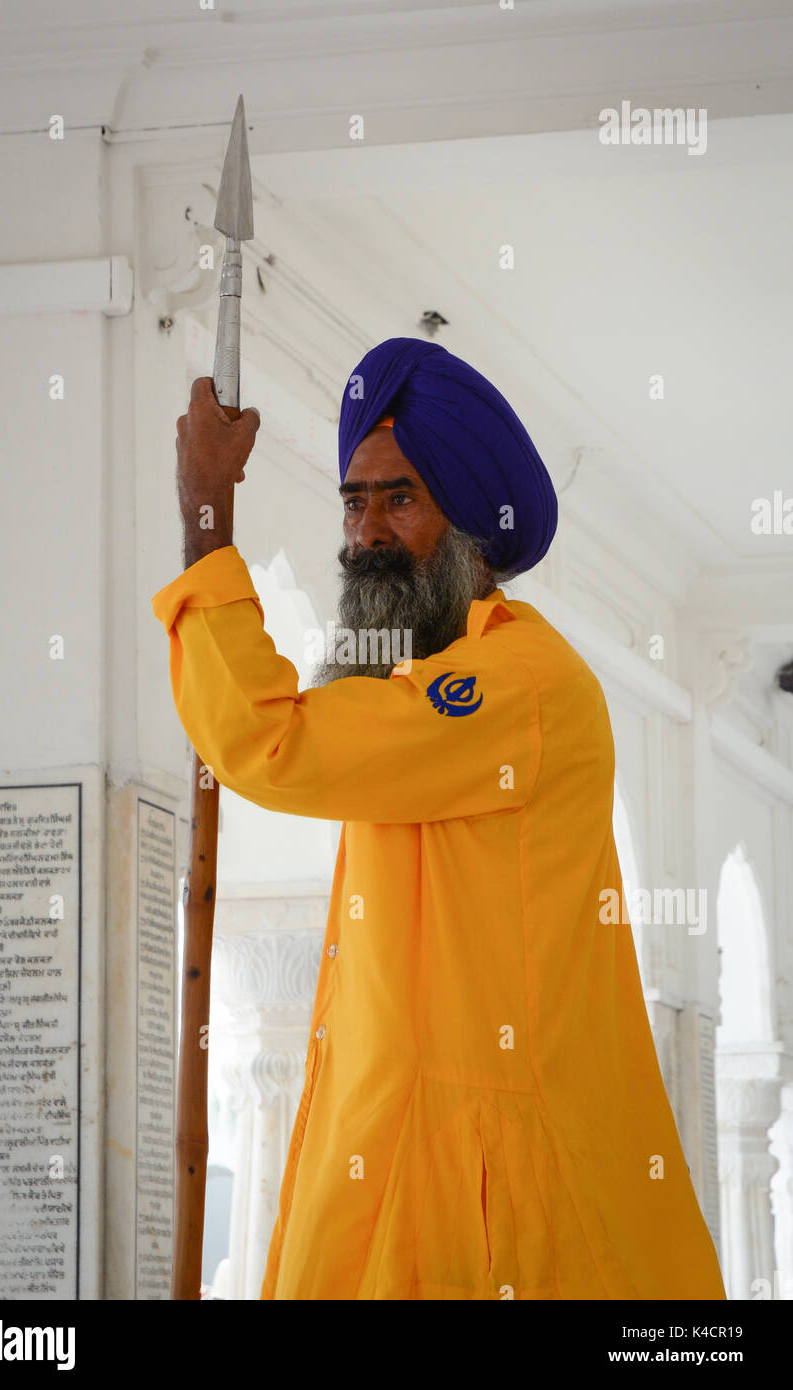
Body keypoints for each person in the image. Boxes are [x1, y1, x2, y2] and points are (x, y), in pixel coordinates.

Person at [152, 337, 726, 1300]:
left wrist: (207, 518)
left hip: (511, 1223)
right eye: (353, 498)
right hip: (389, 1194)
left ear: (469, 527)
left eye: (400, 498)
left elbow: (272, 742)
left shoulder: (519, 685)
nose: (364, 530)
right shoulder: (408, 693)